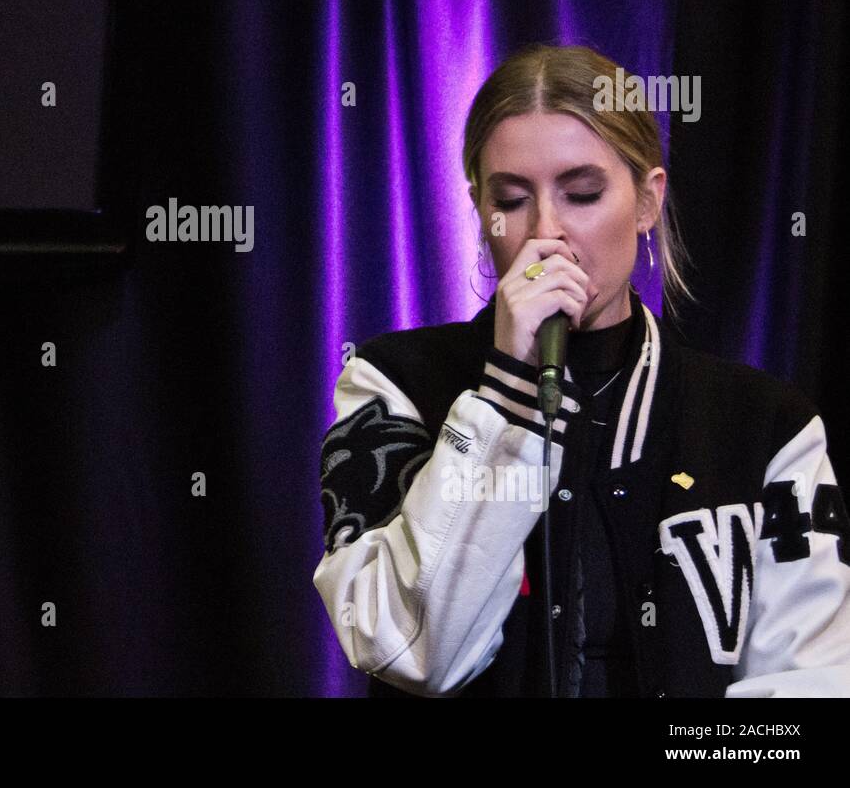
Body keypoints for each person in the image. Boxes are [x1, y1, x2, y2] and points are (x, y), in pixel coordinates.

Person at [312, 43, 850, 698]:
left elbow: (807, 691)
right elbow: (414, 649)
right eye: (511, 198)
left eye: (583, 193)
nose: (548, 231)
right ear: (481, 212)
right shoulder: (393, 383)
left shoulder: (765, 424)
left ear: (648, 201)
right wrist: (505, 394)